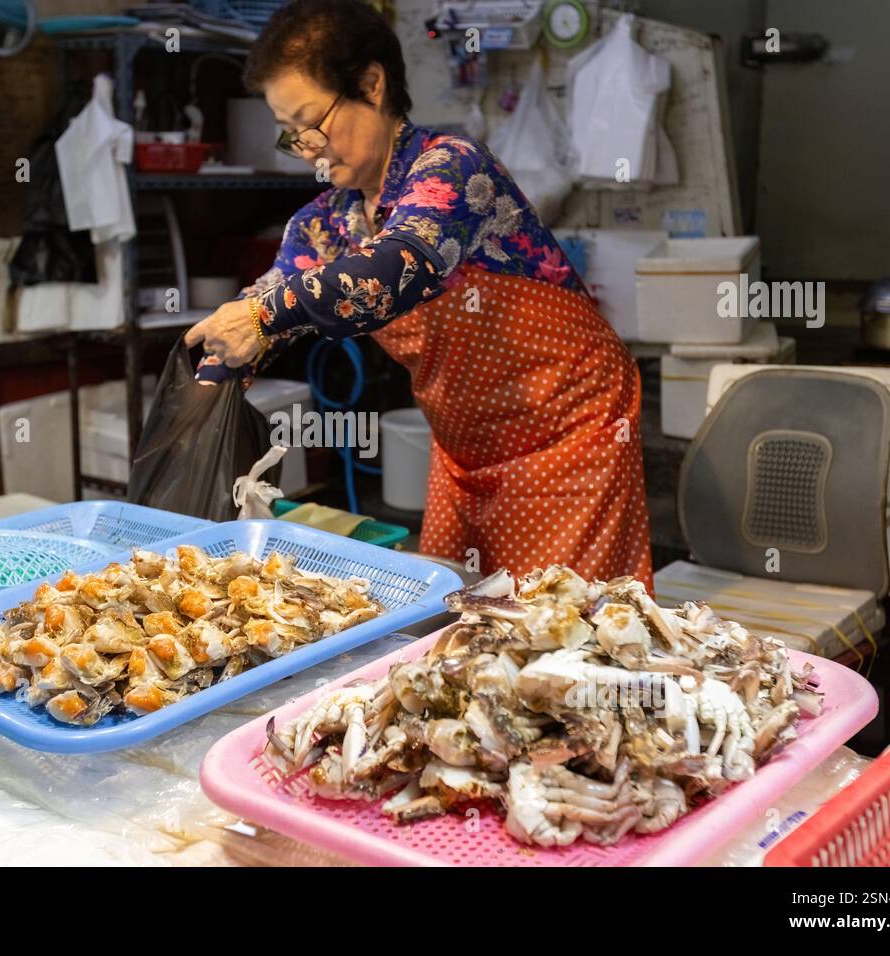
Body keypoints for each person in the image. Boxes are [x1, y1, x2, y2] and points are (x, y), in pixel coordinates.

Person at [185, 0, 653, 588]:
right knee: (452, 621)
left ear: (372, 85)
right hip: (465, 453)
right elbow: (272, 304)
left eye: (311, 123)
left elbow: (394, 267)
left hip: (570, 440)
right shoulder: (325, 223)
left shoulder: (454, 170)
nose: (307, 147)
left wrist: (260, 314)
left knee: (561, 635)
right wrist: (206, 378)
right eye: (291, 135)